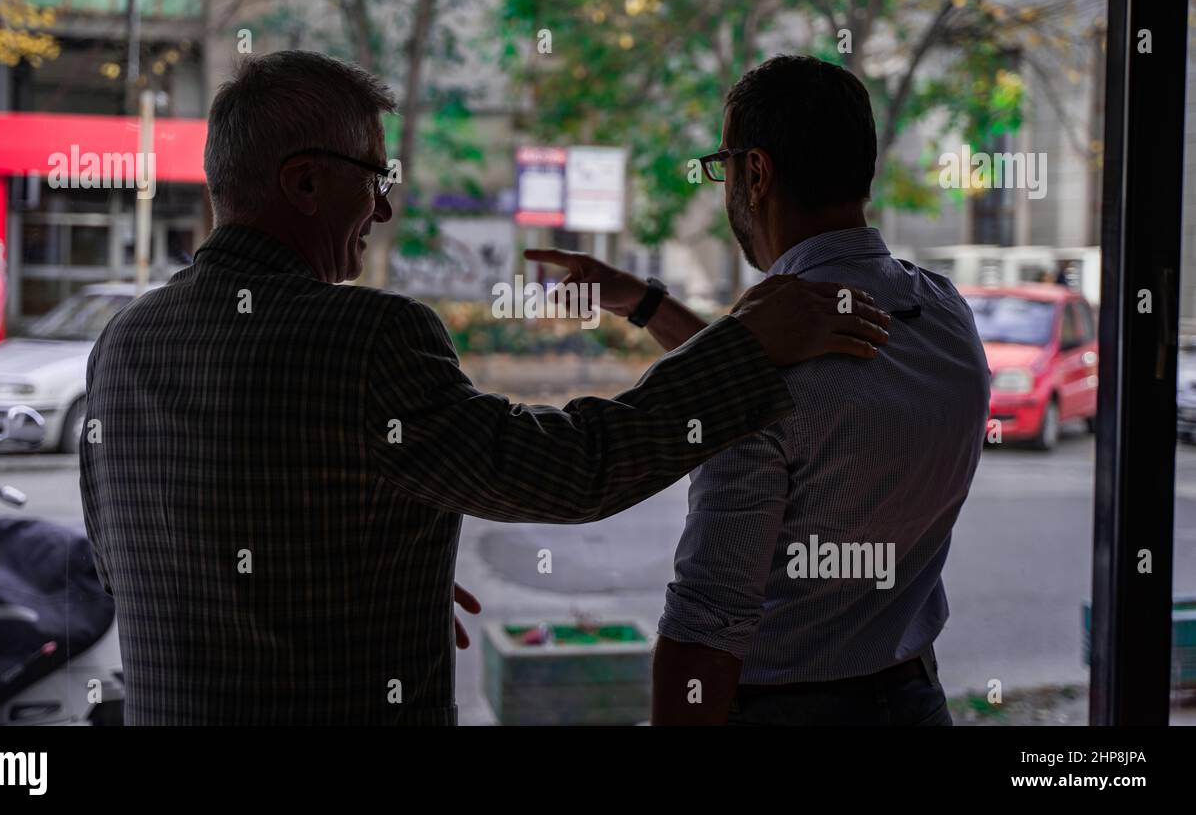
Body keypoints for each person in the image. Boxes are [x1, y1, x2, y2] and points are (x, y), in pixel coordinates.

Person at [78, 50, 891, 725]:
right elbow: (578, 468)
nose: (386, 207)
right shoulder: (369, 339)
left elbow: (134, 563)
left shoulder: (119, 346)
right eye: (376, 174)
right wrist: (747, 347)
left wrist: (371, 568)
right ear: (304, 184)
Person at [531, 55, 990, 726]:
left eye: (723, 167)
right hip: (915, 700)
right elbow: (756, 368)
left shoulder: (769, 377)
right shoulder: (946, 315)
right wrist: (645, 302)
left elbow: (706, 629)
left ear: (756, 172)